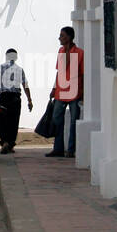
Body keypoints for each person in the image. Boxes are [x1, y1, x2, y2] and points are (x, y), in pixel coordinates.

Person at [48, 26, 84, 158]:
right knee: (57, 119)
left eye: (62, 35)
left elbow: (83, 74)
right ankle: (58, 148)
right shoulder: (61, 51)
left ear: (69, 37)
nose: (60, 38)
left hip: (74, 91)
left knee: (74, 121)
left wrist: (83, 93)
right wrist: (53, 88)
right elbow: (59, 72)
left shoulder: (80, 53)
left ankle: (71, 149)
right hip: (60, 92)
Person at [0, 48, 33, 153]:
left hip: (3, 97)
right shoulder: (19, 69)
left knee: (3, 120)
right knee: (14, 121)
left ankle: (4, 142)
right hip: (15, 98)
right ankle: (11, 144)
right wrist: (29, 100)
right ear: (16, 57)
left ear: (6, 56)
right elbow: (25, 85)